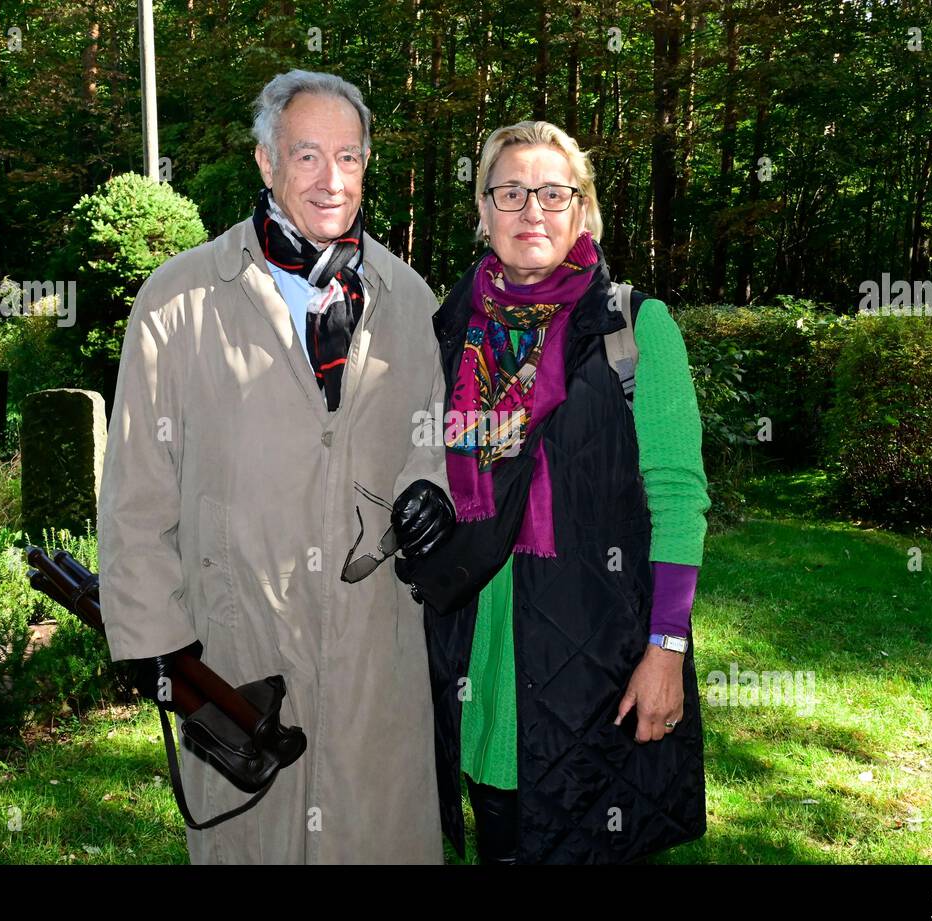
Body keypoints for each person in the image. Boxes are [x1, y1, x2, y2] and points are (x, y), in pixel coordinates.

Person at [96, 69, 455, 864]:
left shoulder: (408, 298)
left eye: (350, 157)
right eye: (307, 156)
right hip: (237, 652)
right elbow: (135, 488)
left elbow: (432, 433)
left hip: (375, 652)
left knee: (376, 836)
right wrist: (157, 639)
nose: (332, 179)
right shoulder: (181, 298)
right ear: (265, 162)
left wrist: (426, 484)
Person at [407, 120, 711, 864]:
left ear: (584, 210)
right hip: (478, 643)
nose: (531, 211)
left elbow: (678, 500)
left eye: (552, 192)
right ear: (483, 212)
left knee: (589, 835)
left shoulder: (636, 328)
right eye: (510, 193)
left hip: (597, 650)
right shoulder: (445, 330)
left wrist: (665, 651)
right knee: (502, 834)